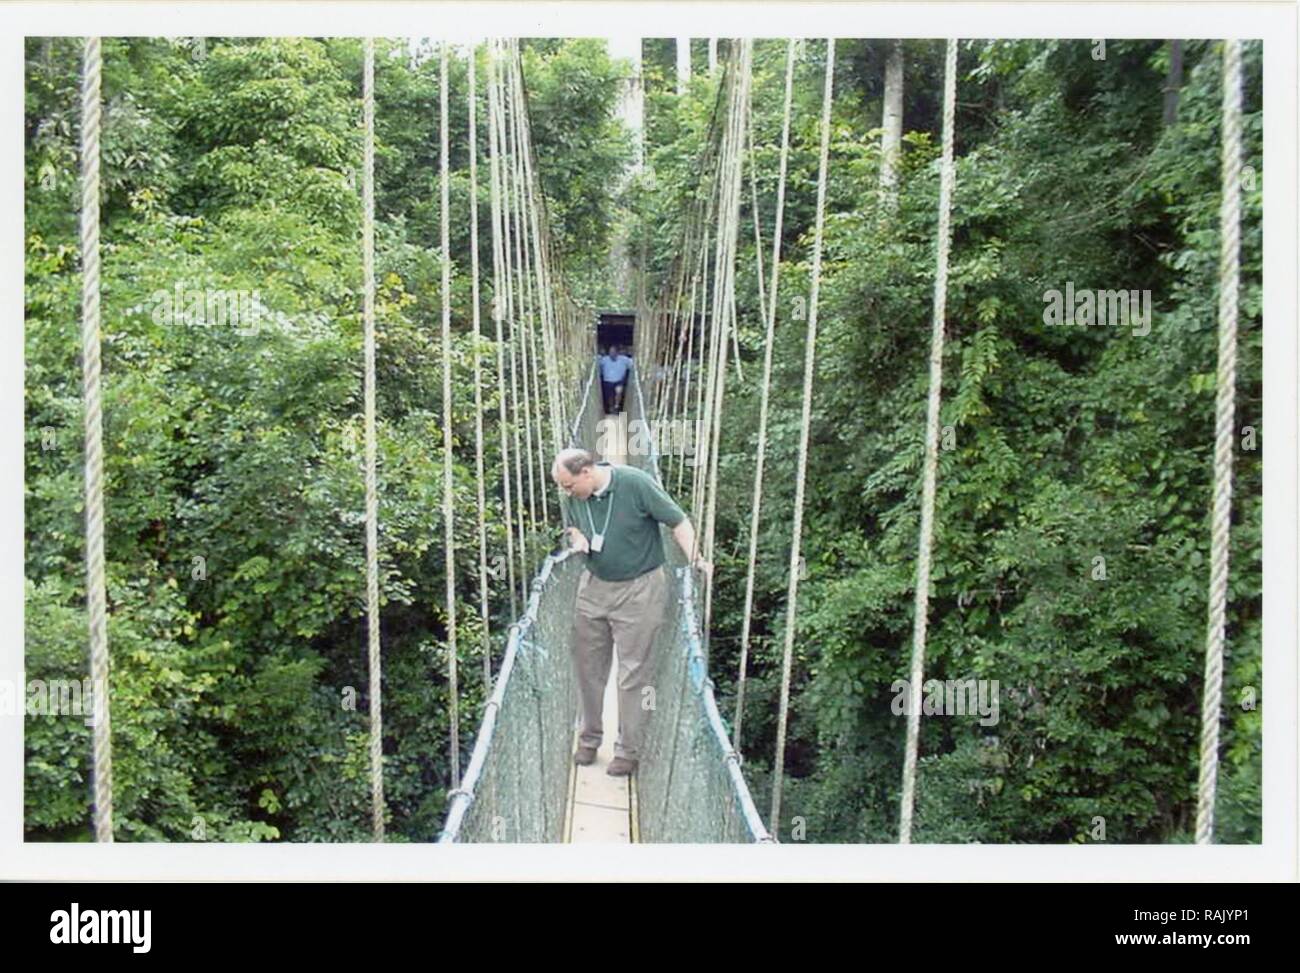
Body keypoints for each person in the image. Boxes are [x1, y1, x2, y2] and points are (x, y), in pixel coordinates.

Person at [552, 447, 711, 777]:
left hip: (640, 590)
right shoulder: (575, 496)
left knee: (633, 672)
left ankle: (628, 750)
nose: (566, 492)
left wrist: (696, 558)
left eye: (568, 485)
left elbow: (678, 520)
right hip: (594, 584)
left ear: (586, 472)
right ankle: (589, 738)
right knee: (586, 665)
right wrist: (578, 537)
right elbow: (573, 526)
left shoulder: (636, 483)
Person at [598, 344, 634, 414]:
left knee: (619, 391)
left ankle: (616, 406)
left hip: (619, 381)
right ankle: (611, 408)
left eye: (613, 352)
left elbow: (633, 364)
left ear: (617, 353)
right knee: (610, 396)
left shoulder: (624, 359)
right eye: (610, 352)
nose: (612, 354)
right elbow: (597, 365)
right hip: (607, 382)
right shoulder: (604, 360)